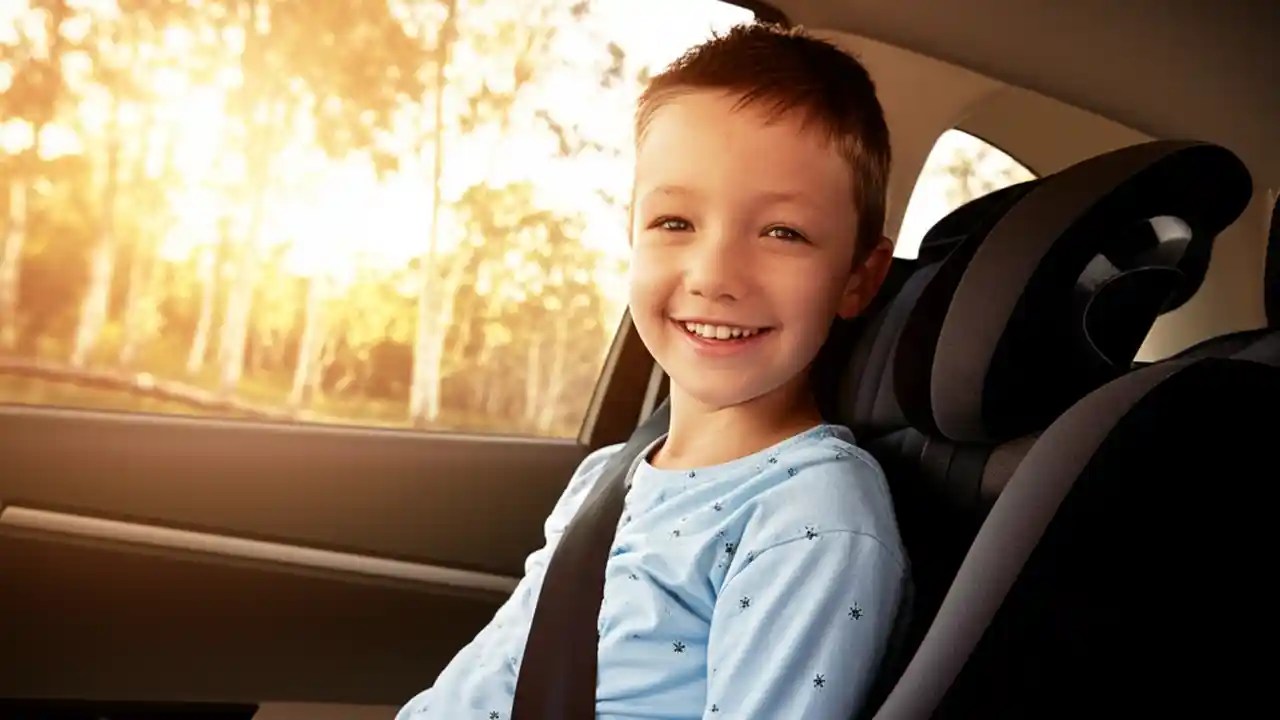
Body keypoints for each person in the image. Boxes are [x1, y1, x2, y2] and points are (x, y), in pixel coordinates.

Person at [398, 21, 910, 719]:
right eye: (675, 223)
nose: (714, 275)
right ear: (632, 234)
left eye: (782, 233)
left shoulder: (812, 518)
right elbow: (493, 675)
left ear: (858, 277)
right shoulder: (607, 476)